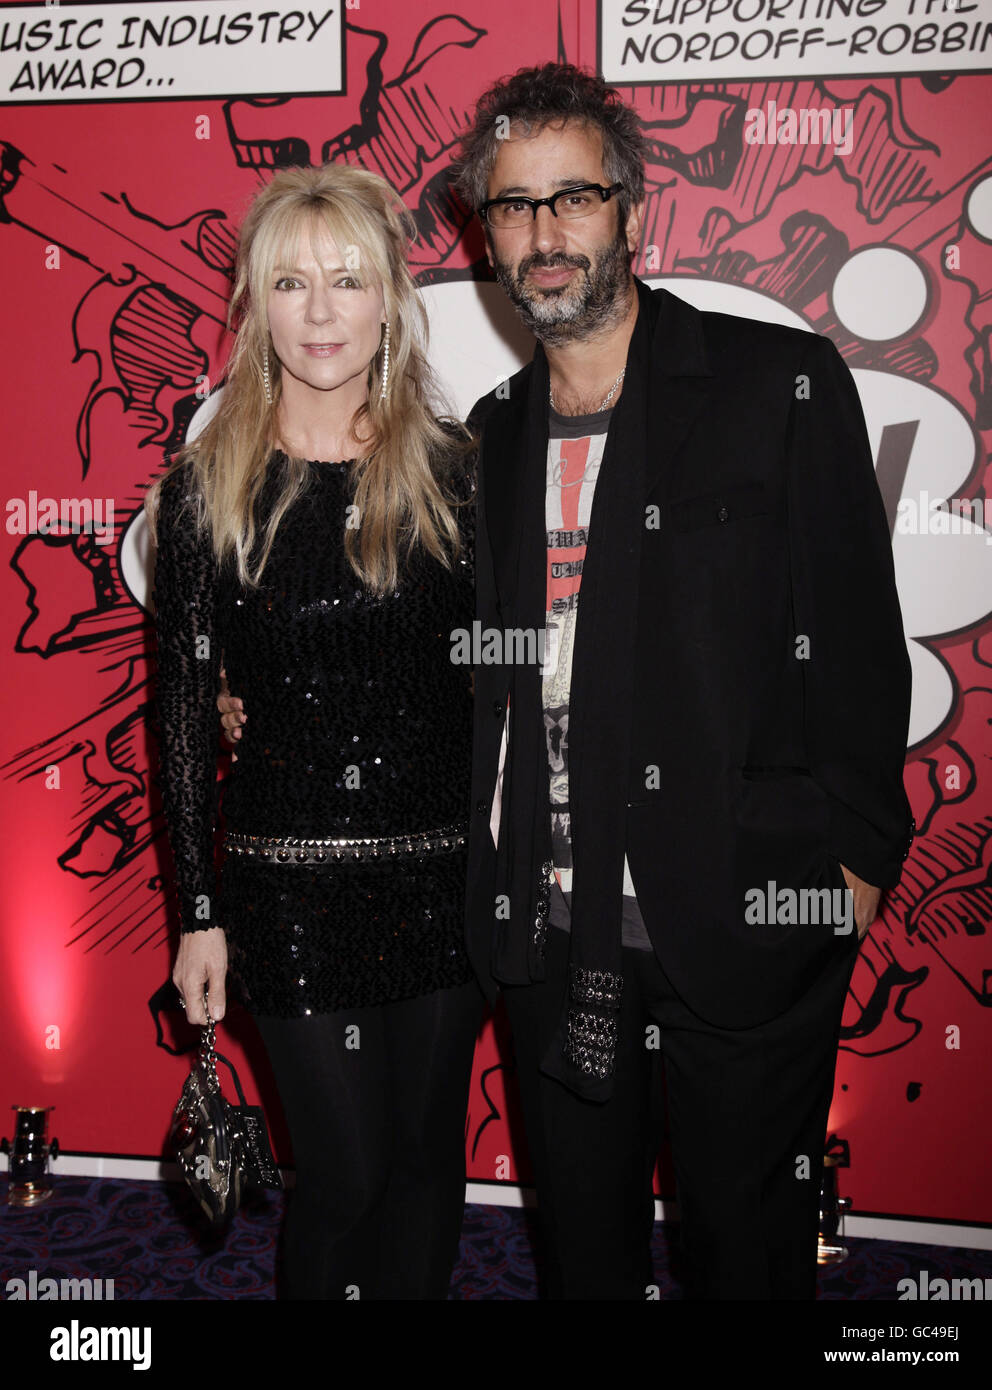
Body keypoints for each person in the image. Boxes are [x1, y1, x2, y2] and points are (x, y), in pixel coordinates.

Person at [450, 63, 915, 1299]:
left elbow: (859, 647)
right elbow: (465, 667)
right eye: (513, 207)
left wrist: (854, 866)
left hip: (750, 915)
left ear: (634, 211)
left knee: (743, 1251)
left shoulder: (779, 385)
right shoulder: (487, 442)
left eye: (574, 199)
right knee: (583, 1255)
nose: (545, 237)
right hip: (552, 936)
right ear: (485, 234)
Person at [147, 162, 484, 1301]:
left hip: (443, 878)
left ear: (390, 295)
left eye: (348, 280)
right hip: (287, 889)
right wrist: (198, 911)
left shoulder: (452, 477)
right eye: (292, 283)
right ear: (257, 303)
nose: (323, 311)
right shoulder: (208, 488)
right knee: (341, 1175)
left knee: (425, 1160)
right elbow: (186, 713)